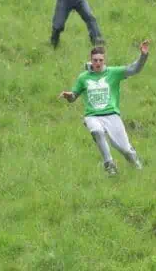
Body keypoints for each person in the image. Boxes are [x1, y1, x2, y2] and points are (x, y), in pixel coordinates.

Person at [59, 41, 149, 175]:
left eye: (100, 60)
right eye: (95, 60)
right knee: (96, 131)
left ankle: (138, 168)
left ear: (104, 60)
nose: (98, 63)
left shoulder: (113, 72)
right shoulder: (83, 78)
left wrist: (143, 55)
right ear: (91, 60)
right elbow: (74, 97)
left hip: (112, 115)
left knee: (125, 150)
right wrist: (69, 96)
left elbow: (134, 69)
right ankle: (109, 164)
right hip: (92, 115)